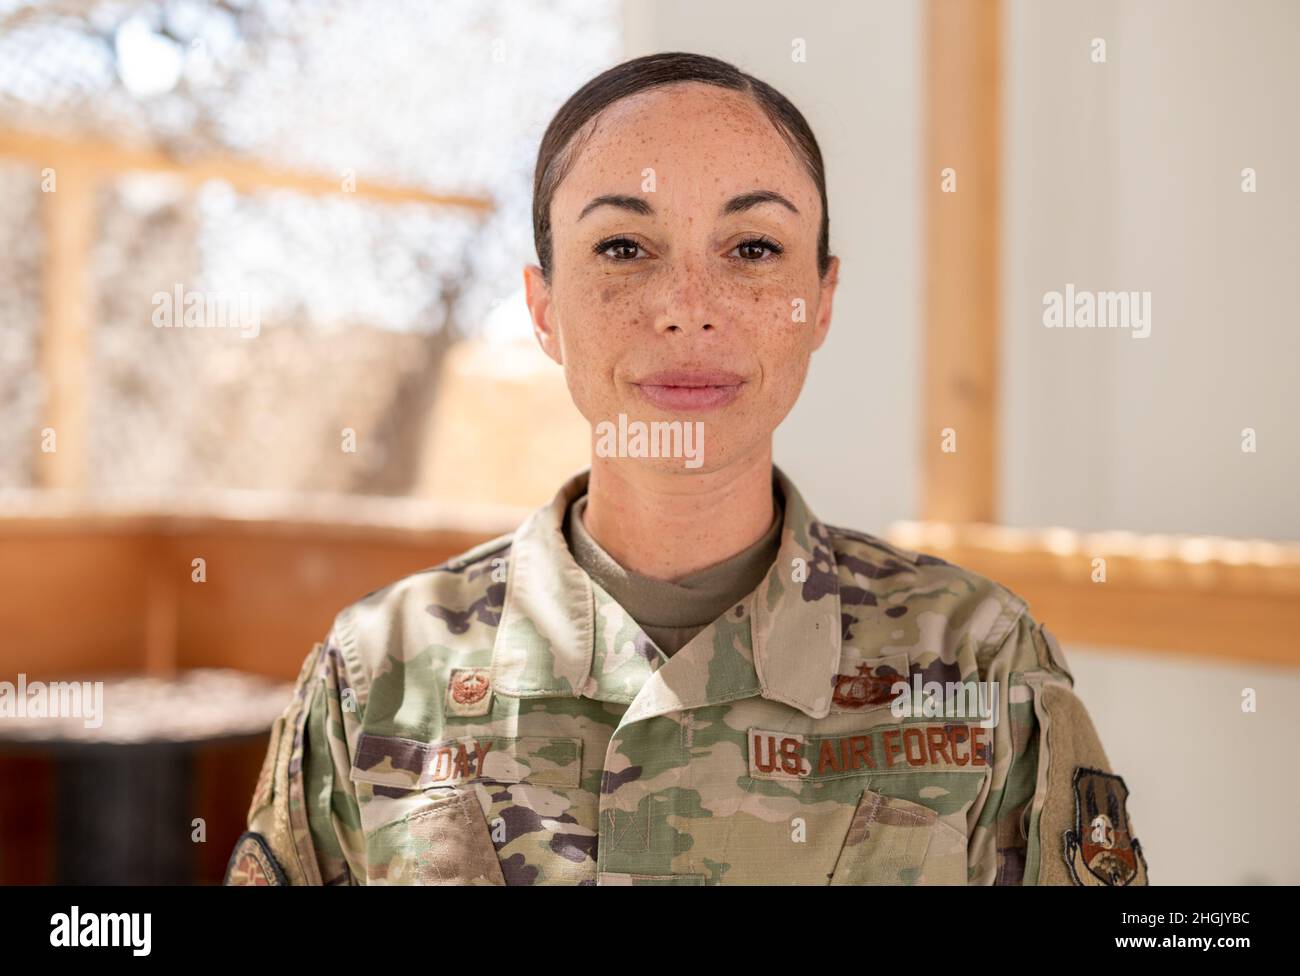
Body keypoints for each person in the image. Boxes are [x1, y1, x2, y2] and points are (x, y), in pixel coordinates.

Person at [225, 51, 1147, 887]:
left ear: (820, 301)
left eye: (753, 249)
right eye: (624, 248)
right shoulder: (377, 674)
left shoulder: (979, 661)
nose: (687, 308)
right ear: (543, 309)